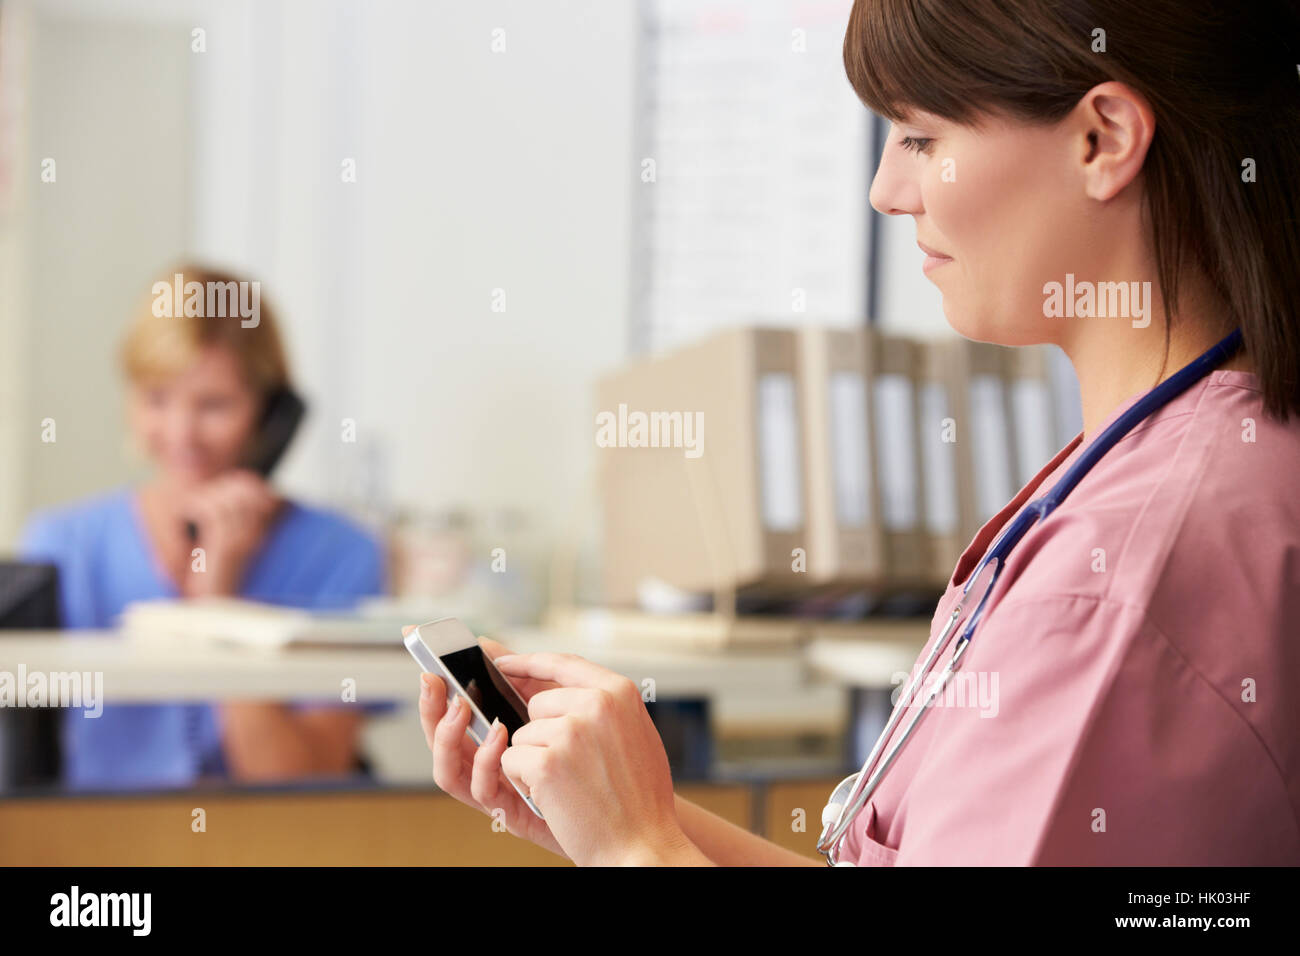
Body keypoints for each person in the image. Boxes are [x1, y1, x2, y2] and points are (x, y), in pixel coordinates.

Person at [413, 0, 1300, 865]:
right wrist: (626, 814)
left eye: (921, 137)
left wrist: (631, 849)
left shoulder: (1111, 584)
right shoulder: (1199, 460)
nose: (886, 190)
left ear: (1101, 139)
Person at [20, 264, 387, 790]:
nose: (180, 432)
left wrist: (218, 603)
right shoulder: (63, 545)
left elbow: (294, 784)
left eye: (214, 405)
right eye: (156, 399)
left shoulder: (341, 552)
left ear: (272, 414)